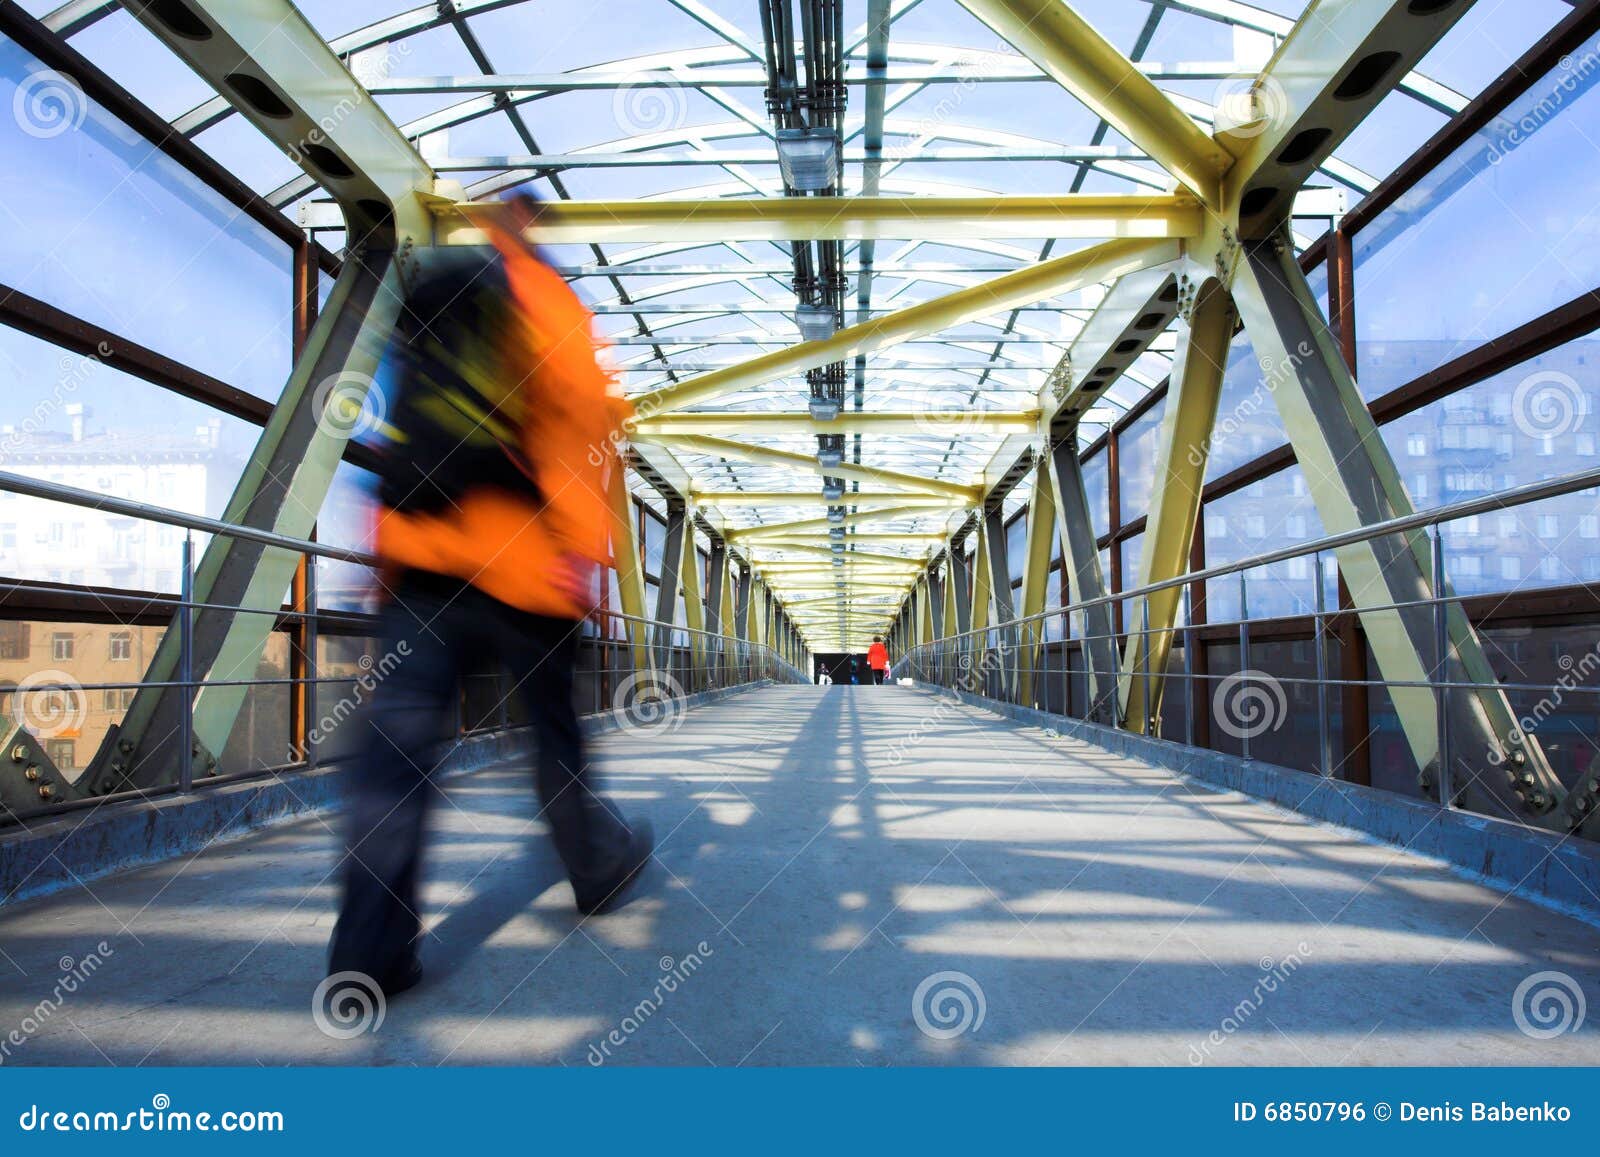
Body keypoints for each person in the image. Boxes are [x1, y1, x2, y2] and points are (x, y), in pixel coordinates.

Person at [327, 194, 652, 998]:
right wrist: (585, 561)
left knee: (395, 756)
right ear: (535, 229)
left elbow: (399, 426)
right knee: (553, 736)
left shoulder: (440, 292)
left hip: (424, 562)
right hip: (527, 571)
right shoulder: (556, 308)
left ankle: (369, 949)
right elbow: (584, 434)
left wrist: (383, 552)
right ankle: (595, 865)